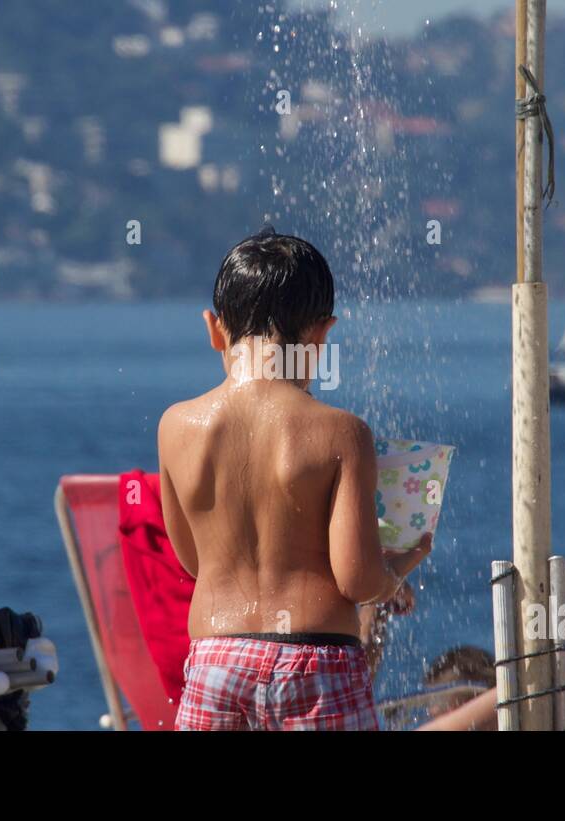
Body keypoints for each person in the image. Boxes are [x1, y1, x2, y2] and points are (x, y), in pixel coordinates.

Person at [158, 227, 431, 730]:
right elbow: (357, 580)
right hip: (316, 663)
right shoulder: (342, 434)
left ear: (214, 330)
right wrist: (398, 569)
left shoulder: (177, 426)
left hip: (216, 663)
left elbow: (194, 560)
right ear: (323, 333)